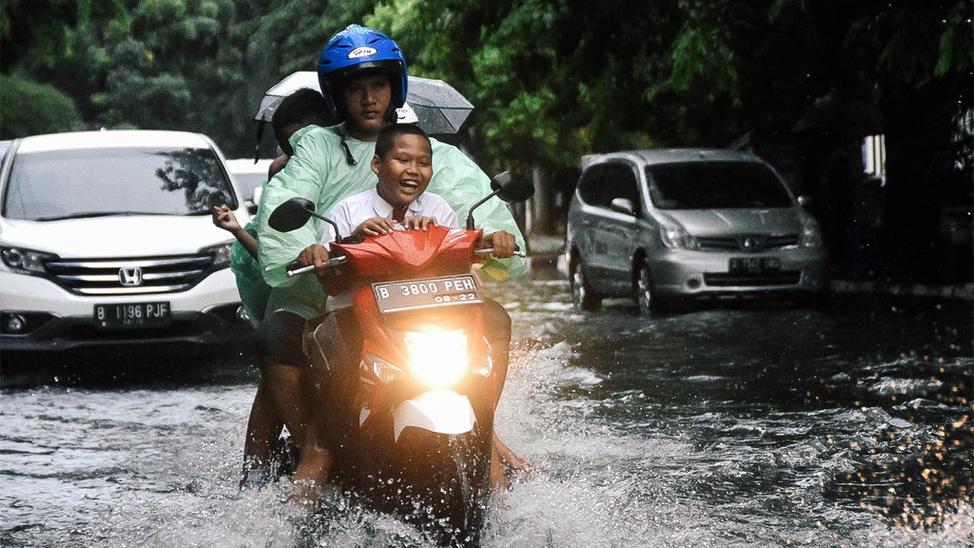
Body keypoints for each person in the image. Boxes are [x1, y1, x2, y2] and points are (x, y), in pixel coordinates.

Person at [253, 24, 528, 500]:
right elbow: (288, 199)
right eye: (354, 88)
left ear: (395, 87)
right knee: (282, 336)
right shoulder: (317, 146)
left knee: (494, 321)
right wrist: (307, 248)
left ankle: (484, 433)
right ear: (337, 95)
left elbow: (477, 210)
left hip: (425, 307)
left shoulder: (436, 155)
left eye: (378, 85)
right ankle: (315, 447)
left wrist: (499, 240)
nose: (368, 98)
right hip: (336, 294)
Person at [213, 88, 331, 486]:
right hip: (301, 292)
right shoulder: (283, 176)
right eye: (290, 144)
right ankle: (257, 472)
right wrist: (236, 230)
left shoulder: (378, 163)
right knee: (276, 360)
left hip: (365, 291)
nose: (299, 150)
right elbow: (271, 249)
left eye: (306, 140)